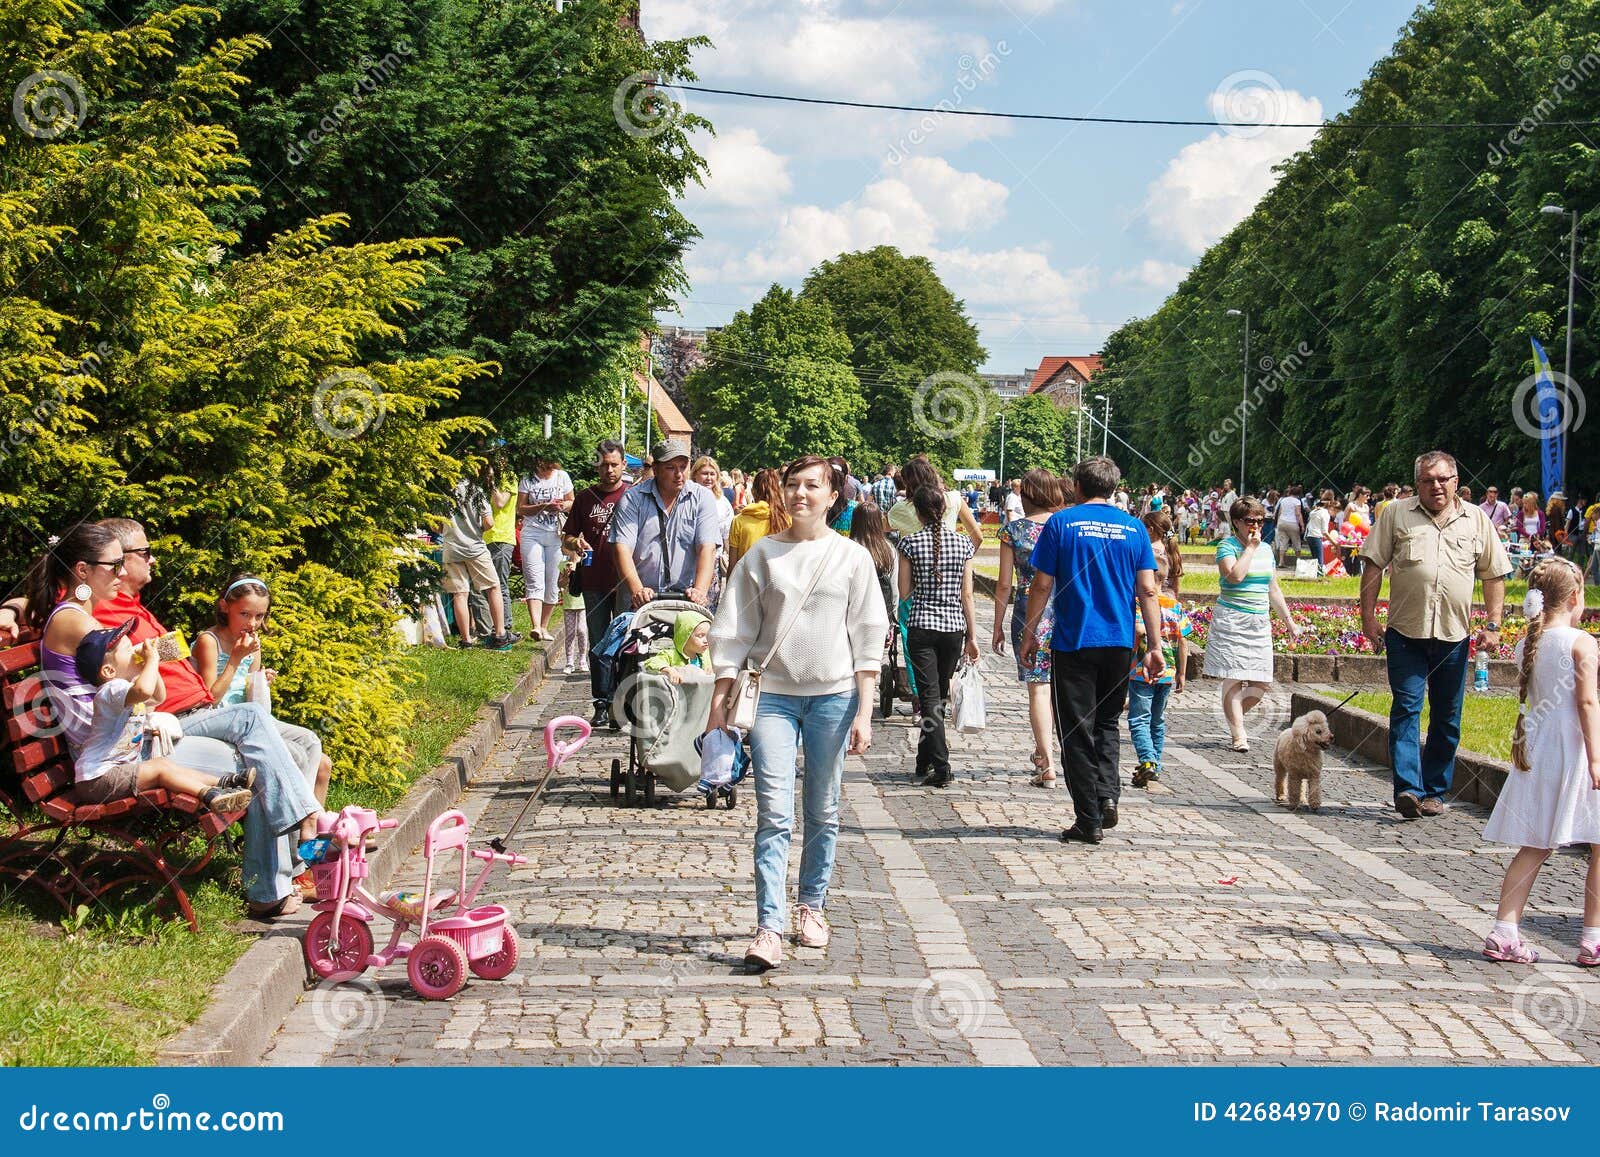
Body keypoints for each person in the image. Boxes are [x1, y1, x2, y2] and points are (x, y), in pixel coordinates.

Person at [12, 522, 324, 917]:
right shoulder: (79, 618)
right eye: (114, 565)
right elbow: (134, 673)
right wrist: (148, 652)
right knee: (260, 755)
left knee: (264, 737)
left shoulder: (93, 607)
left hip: (134, 732)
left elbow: (145, 676)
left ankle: (286, 859)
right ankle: (283, 863)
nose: (122, 572)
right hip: (119, 751)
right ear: (83, 570)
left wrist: (149, 652)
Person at [707, 456, 888, 972]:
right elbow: (732, 630)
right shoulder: (763, 556)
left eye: (813, 486)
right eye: (793, 485)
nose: (800, 494)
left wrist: (865, 712)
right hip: (773, 698)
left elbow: (868, 634)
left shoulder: (851, 558)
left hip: (833, 697)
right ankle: (769, 926)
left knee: (823, 808)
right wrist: (720, 699)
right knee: (775, 813)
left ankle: (812, 904)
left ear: (834, 497)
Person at [1021, 457, 1164, 846]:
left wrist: (1030, 633)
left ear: (1078, 487)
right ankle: (1107, 794)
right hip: (1119, 642)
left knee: (1076, 729)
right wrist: (1155, 645)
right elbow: (1148, 591)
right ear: (1114, 488)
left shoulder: (1061, 524)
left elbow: (1041, 585)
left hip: (1074, 641)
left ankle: (1089, 818)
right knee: (1106, 724)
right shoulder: (1134, 528)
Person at [1359, 450, 1510, 819]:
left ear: (1456, 482)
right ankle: (1408, 790)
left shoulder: (1475, 519)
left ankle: (1435, 791)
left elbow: (1493, 574)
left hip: (1453, 636)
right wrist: (1367, 617)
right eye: (1428, 480)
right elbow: (1374, 564)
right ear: (1417, 483)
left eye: (1443, 479)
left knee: (1446, 716)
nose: (1436, 486)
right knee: (1406, 709)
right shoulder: (1396, 512)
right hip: (1405, 632)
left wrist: (1493, 623)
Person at [1479, 559, 1600, 964]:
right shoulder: (1581, 641)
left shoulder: (1526, 643)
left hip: (1537, 746)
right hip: (1576, 748)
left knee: (1534, 845)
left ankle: (1504, 930)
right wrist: (1596, 759)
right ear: (1573, 597)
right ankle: (1592, 937)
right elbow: (1586, 701)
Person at [192, 575, 332, 814]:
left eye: (260, 616)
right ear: (225, 606)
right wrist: (235, 659)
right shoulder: (209, 641)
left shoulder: (252, 644)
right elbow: (209, 698)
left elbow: (251, 700)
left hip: (250, 718)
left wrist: (259, 683)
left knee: (314, 747)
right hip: (218, 720)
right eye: (244, 614)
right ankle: (304, 818)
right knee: (301, 756)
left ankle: (310, 819)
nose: (253, 623)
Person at [1203, 497, 1302, 752]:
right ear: (1236, 522)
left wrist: (1289, 622)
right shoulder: (1227, 546)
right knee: (1234, 677)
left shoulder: (1267, 550)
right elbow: (1234, 576)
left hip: (1258, 621)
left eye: (1260, 520)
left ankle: (1233, 715)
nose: (1256, 525)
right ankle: (1239, 733)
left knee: (1261, 682)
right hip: (1233, 619)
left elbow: (1273, 588)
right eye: (1250, 521)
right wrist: (1249, 549)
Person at [898, 484, 979, 789]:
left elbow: (904, 593)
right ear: (946, 510)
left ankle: (941, 765)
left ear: (917, 512)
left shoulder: (909, 544)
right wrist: (972, 636)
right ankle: (923, 759)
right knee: (938, 696)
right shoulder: (963, 545)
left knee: (930, 697)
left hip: (921, 627)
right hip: (954, 629)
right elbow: (967, 594)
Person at [992, 468, 1063, 787]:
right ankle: (1055, 753)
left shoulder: (1013, 531)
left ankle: (1046, 761)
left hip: (1028, 611)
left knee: (1038, 687)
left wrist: (996, 625)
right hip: (1065, 610)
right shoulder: (1065, 526)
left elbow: (1004, 585)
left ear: (1025, 494)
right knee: (1065, 687)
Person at [564, 441, 631, 728]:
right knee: (598, 643)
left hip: (627, 582)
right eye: (604, 464)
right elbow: (566, 536)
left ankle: (622, 702)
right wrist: (575, 543)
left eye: (614, 464)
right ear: (597, 465)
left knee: (627, 644)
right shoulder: (585, 498)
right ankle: (601, 702)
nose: (609, 469)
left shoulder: (633, 496)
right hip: (594, 581)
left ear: (624, 464)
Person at [611, 437, 718, 608]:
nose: (679, 474)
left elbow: (707, 547)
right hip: (639, 601)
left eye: (683, 467)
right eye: (671, 468)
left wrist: (699, 591)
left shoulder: (702, 497)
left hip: (685, 598)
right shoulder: (632, 498)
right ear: (655, 469)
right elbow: (622, 548)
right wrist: (637, 590)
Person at [1128, 512, 1193, 793]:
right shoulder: (1176, 607)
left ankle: (1147, 760)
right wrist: (1182, 672)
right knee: (1158, 719)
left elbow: (1139, 634)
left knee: (1138, 718)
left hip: (1142, 672)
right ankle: (1157, 761)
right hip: (1167, 673)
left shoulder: (1142, 606)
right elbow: (1184, 642)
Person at [442, 473, 514, 649]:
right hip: (475, 548)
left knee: (460, 594)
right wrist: (477, 529)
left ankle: (466, 639)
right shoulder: (476, 491)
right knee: (493, 587)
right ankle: (500, 634)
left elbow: (435, 525)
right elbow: (489, 522)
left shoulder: (444, 494)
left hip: (451, 549)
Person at [518, 457, 575, 642]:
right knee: (534, 579)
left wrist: (562, 505)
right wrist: (543, 506)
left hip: (555, 534)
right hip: (532, 533)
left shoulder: (562, 477)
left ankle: (544, 626)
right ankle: (535, 626)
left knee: (552, 582)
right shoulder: (528, 478)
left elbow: (572, 502)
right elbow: (521, 508)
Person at [887, 456, 984, 550]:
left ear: (907, 483)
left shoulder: (901, 508)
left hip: (914, 565)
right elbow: (978, 537)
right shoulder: (954, 498)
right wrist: (964, 559)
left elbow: (877, 527)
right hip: (952, 564)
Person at [479, 451, 519, 639]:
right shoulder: (482, 482)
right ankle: (487, 628)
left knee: (499, 584)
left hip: (502, 537)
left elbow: (500, 502)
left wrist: (492, 481)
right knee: (483, 586)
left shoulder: (509, 478)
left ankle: (505, 626)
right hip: (484, 537)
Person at [693, 454, 736, 608]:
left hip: (712, 563)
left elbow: (727, 535)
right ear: (695, 475)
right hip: (688, 562)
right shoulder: (686, 497)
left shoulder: (722, 502)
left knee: (707, 609)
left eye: (712, 474)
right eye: (705, 473)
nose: (709, 478)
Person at [728, 467, 789, 572]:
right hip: (777, 583)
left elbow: (733, 564)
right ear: (778, 490)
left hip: (747, 583)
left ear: (753, 491)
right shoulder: (787, 519)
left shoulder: (739, 520)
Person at [558, 537, 589, 676]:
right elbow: (560, 584)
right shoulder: (563, 564)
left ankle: (583, 659)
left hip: (582, 603)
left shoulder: (585, 563)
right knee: (570, 633)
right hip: (568, 604)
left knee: (582, 631)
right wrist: (565, 577)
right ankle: (569, 661)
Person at [1274, 483, 1305, 568]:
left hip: (1281, 522)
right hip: (1292, 523)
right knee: (1296, 542)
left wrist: (1277, 523)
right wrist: (1302, 525)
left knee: (1283, 542)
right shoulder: (1297, 501)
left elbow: (1279, 512)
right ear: (1298, 494)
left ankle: (1281, 562)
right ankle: (1298, 561)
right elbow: (1298, 514)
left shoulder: (1283, 500)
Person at [1305, 489, 1334, 574]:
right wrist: (1334, 542)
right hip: (1316, 536)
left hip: (1310, 535)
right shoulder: (1325, 513)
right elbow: (1324, 532)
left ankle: (1315, 575)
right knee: (1319, 561)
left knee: (1315, 559)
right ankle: (1319, 576)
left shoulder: (1315, 510)